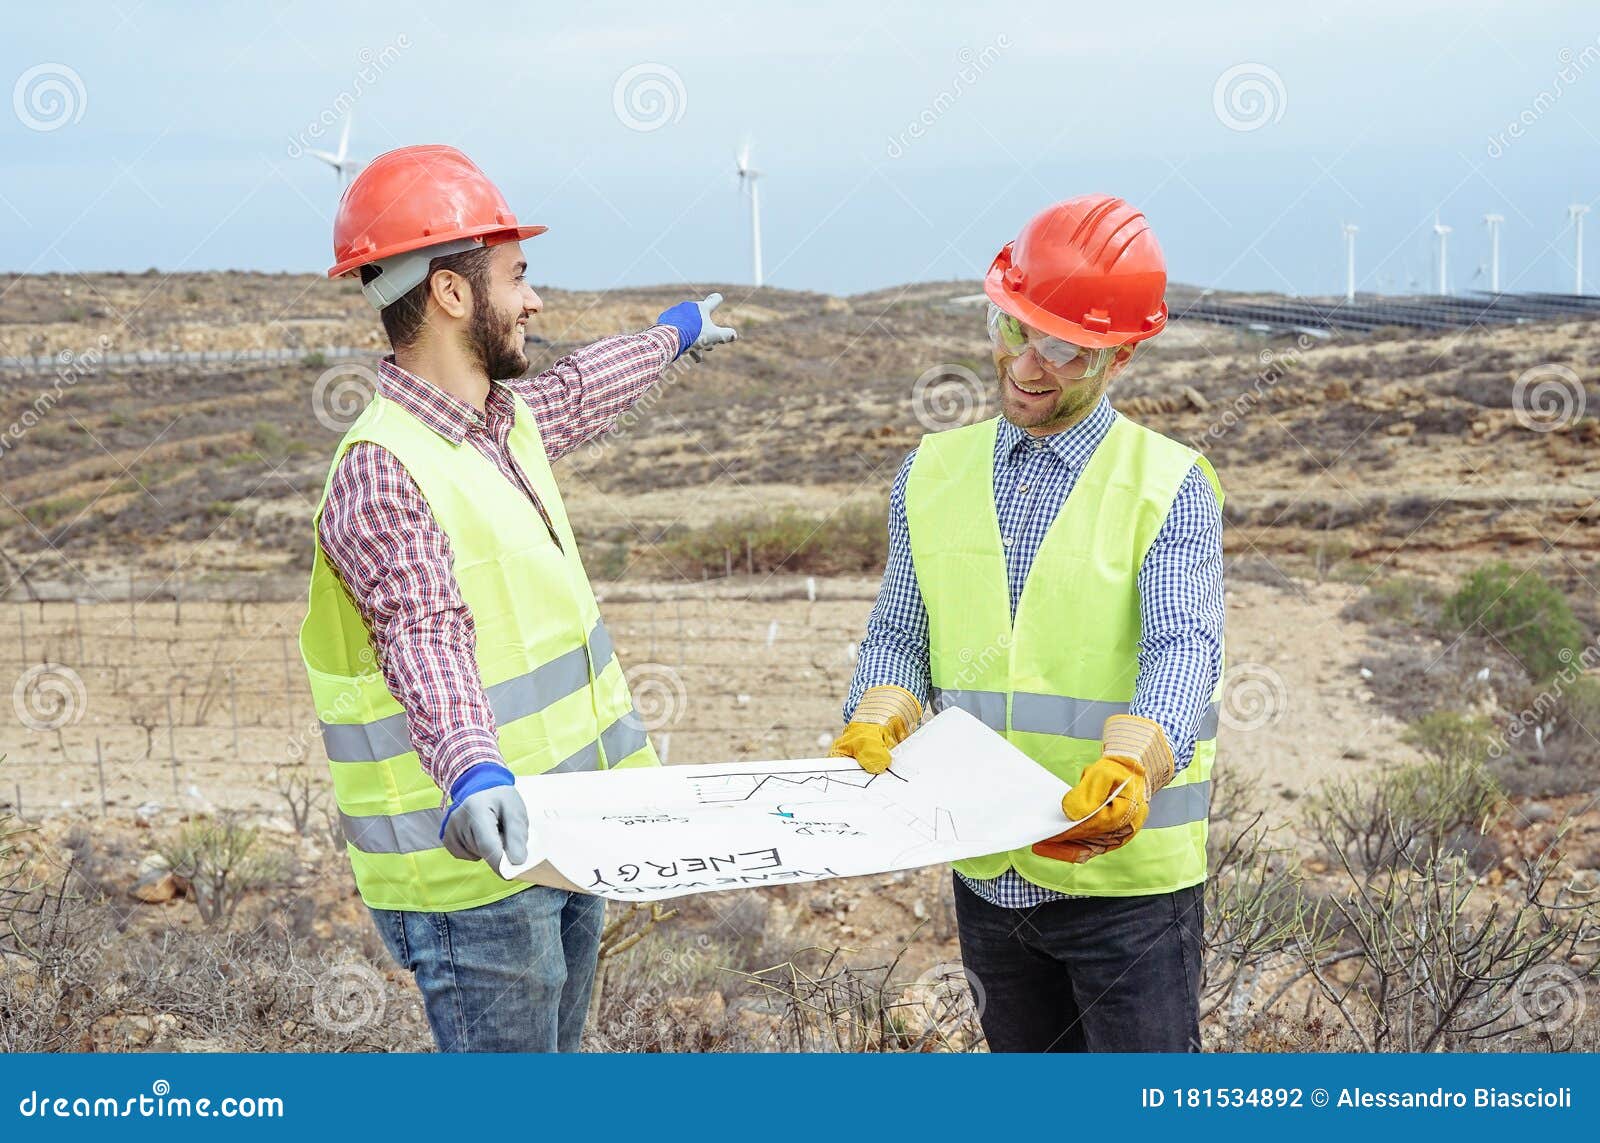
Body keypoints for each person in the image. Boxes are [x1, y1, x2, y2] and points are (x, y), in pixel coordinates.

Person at [299, 144, 735, 1052]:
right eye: (518, 276)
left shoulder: (503, 423)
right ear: (451, 293)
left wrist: (673, 335)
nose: (534, 300)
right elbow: (424, 633)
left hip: (561, 836)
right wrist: (472, 772)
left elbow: (585, 387)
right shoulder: (383, 472)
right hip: (476, 873)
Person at [829, 195, 1224, 1052]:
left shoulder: (1169, 484)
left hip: (1124, 889)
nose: (1027, 364)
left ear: (1120, 355)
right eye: (1013, 328)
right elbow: (902, 630)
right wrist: (878, 711)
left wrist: (1135, 762)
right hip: (989, 875)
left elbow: (1184, 645)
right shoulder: (930, 470)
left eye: (1065, 348)